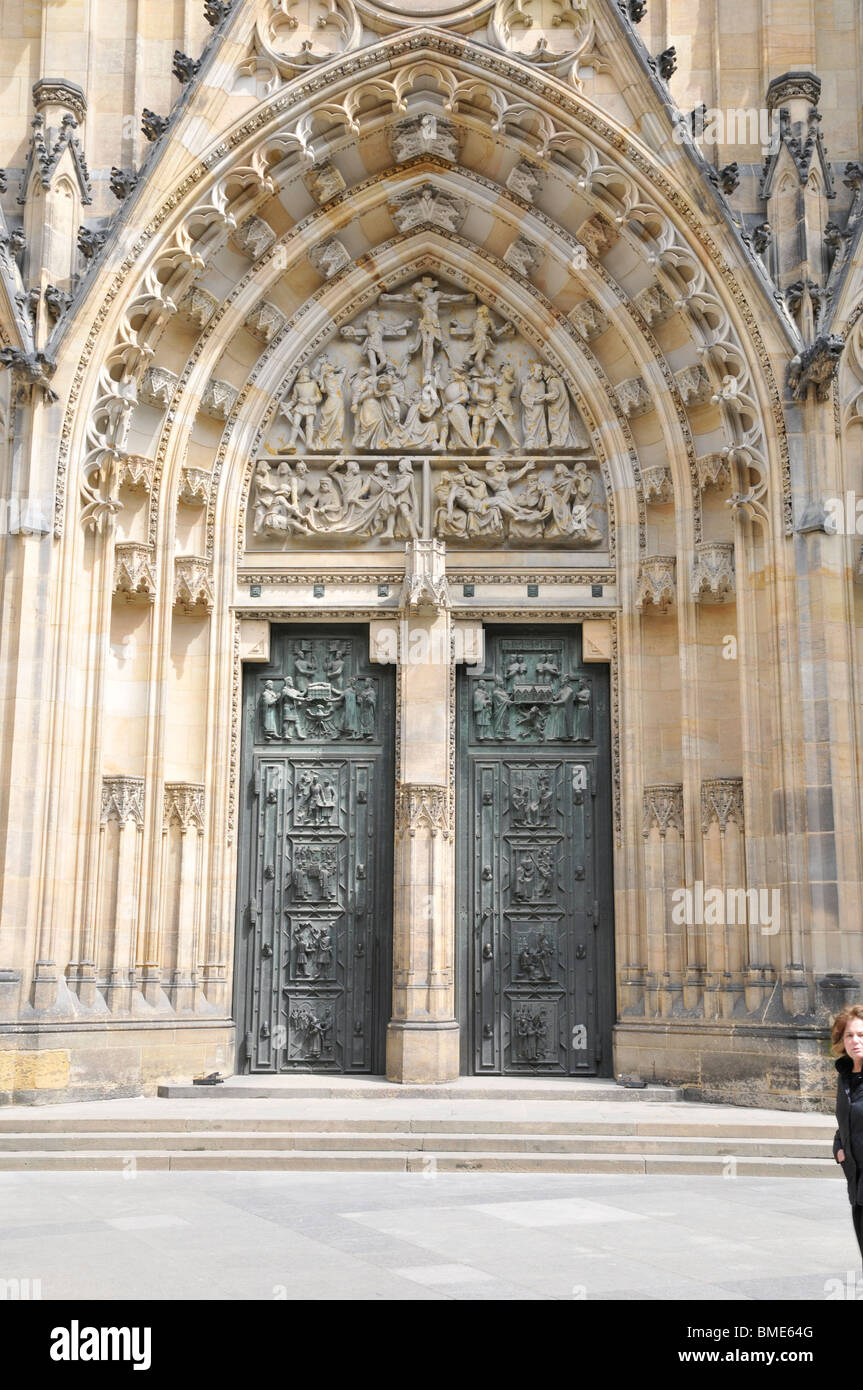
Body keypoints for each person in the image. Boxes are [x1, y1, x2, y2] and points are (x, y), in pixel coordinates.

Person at [832, 1004, 863, 1265]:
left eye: (861, 1035)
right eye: (849, 1035)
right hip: (856, 1178)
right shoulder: (845, 1076)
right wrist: (838, 1146)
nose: (855, 1041)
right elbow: (845, 1121)